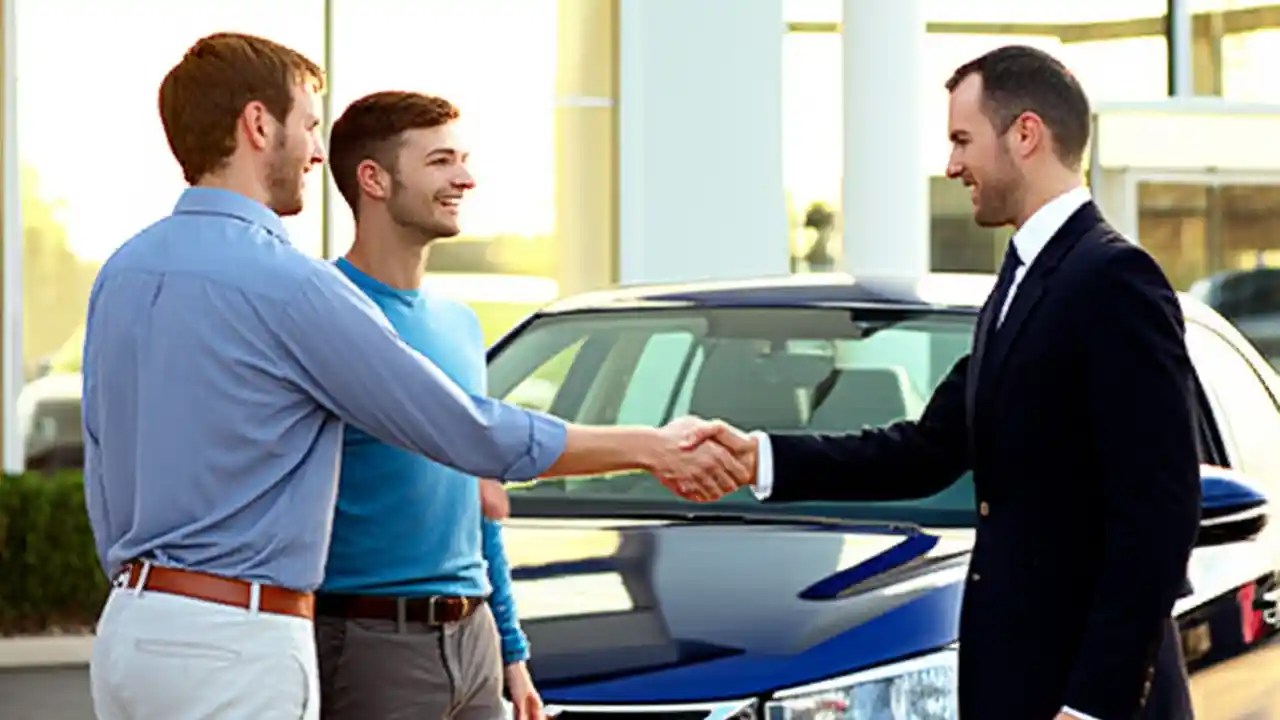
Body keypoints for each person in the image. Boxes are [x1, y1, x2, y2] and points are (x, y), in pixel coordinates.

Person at [81, 32, 746, 720]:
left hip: (133, 632)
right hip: (238, 640)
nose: (315, 152)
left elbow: (100, 462)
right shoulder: (291, 287)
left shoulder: (124, 272)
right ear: (257, 125)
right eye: (309, 126)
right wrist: (648, 446)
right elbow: (465, 431)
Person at [682, 45, 1200, 720]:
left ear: (1025, 135)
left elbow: (1160, 514)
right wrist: (761, 456)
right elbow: (927, 449)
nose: (952, 165)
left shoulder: (1114, 281)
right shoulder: (1023, 277)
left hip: (1079, 697)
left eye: (962, 140)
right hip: (1015, 685)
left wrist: (1093, 705)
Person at [313, 90, 545, 719]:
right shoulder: (319, 310)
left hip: (475, 644)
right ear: (374, 179)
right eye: (442, 161)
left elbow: (480, 504)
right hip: (370, 645)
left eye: (463, 160)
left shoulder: (460, 325)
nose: (465, 178)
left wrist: (512, 657)